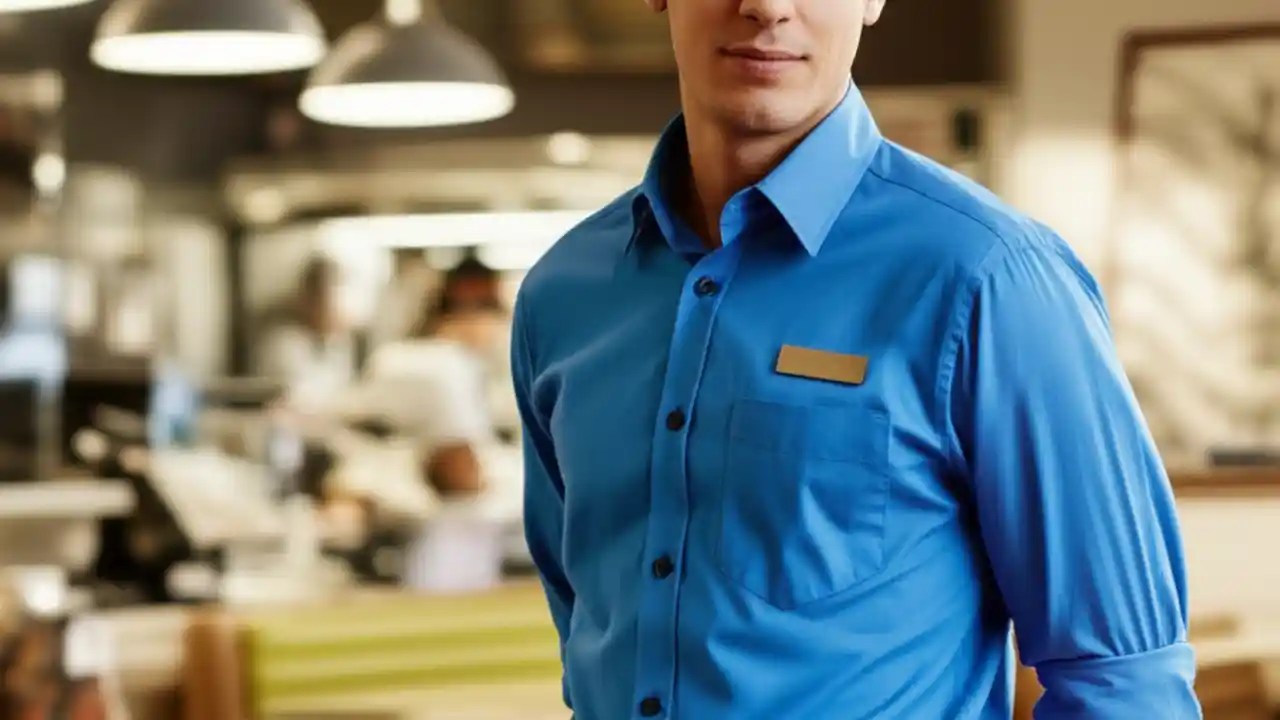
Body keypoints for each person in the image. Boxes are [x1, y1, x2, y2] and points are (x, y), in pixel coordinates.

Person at [510, 1, 1200, 718]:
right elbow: (587, 619)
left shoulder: (988, 276)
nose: (768, 6)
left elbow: (1125, 681)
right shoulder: (564, 294)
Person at [254, 255, 360, 412]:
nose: (336, 310)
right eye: (327, 301)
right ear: (308, 300)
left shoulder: (338, 343)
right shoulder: (284, 344)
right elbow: (298, 400)